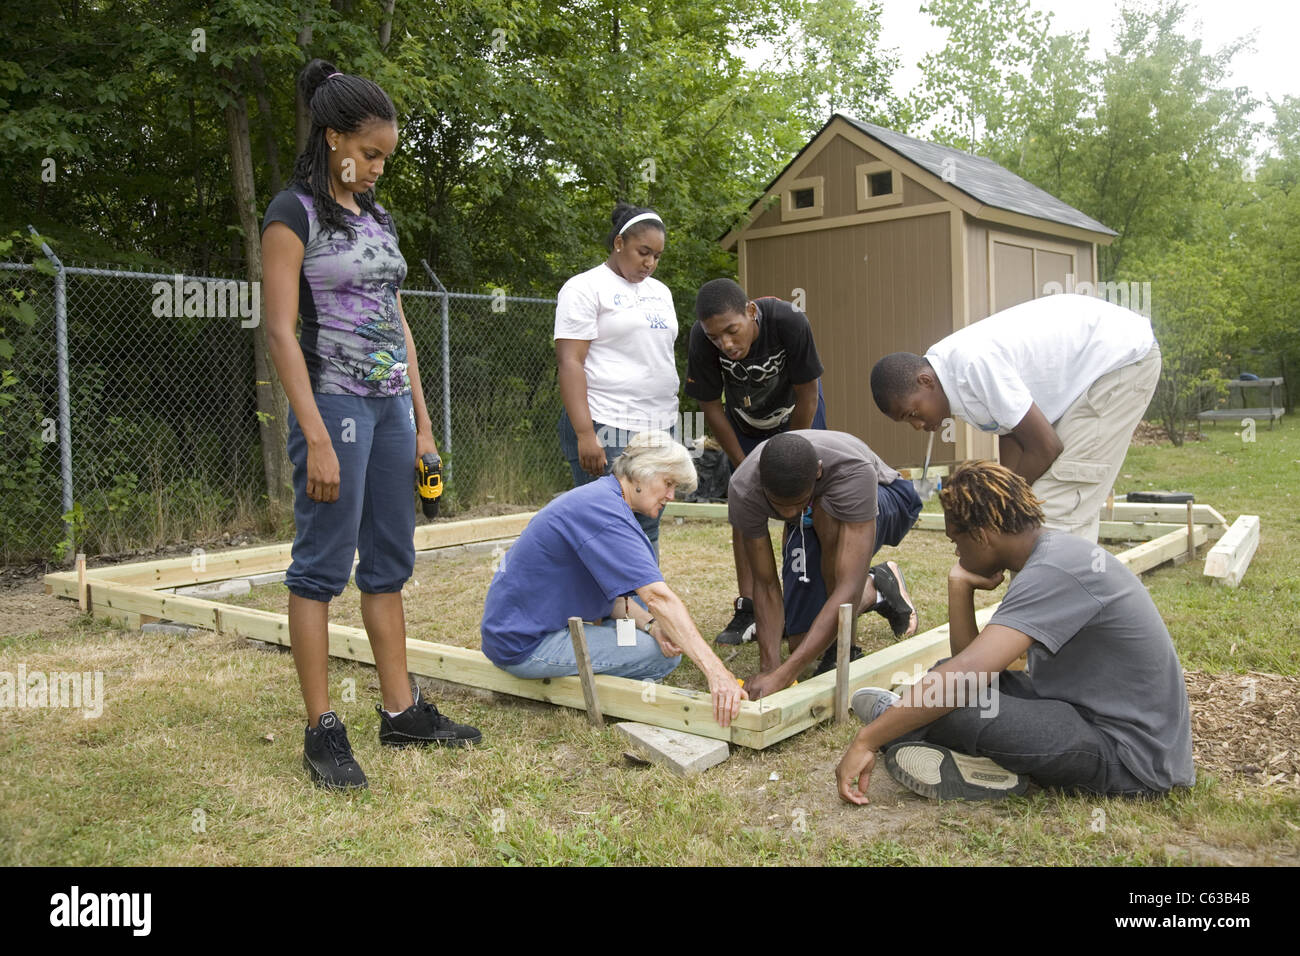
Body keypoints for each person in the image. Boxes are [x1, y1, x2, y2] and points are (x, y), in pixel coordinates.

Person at [262, 59, 480, 791]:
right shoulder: (293, 213)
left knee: (389, 562)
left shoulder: (377, 216)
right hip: (334, 403)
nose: (380, 168)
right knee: (320, 567)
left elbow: (398, 320)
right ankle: (322, 730)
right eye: (372, 154)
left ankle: (401, 710)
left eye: (387, 155)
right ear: (333, 140)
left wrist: (421, 421)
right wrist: (317, 433)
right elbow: (281, 333)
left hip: (390, 408)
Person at [835, 460, 1195, 805]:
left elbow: (967, 677)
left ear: (981, 534)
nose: (957, 551)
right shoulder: (1050, 556)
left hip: (1129, 759)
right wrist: (959, 585)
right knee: (948, 681)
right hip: (1081, 713)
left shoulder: (1055, 569)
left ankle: (896, 723)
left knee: (955, 698)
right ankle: (937, 743)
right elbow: (972, 669)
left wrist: (866, 741)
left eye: (956, 541)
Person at [481, 432, 747, 727]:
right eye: (668, 484)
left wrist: (652, 625)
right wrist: (718, 674)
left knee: (651, 637)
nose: (671, 496)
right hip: (524, 646)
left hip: (513, 630)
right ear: (641, 474)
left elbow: (609, 598)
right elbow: (658, 597)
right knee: (661, 657)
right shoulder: (606, 514)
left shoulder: (601, 498)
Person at [870, 292, 1160, 543]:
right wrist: (1004, 496)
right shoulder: (950, 378)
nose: (918, 425)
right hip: (1090, 372)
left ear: (925, 381)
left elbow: (1046, 447)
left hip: (1119, 361)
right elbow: (1013, 433)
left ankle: (1050, 600)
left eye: (913, 414)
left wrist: (1001, 505)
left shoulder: (971, 366)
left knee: (1055, 506)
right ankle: (1066, 595)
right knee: (1047, 504)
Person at [728, 431, 923, 700]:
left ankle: (846, 649)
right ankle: (877, 586)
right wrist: (770, 669)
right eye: (778, 505)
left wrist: (785, 675)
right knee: (801, 644)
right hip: (811, 521)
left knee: (827, 512)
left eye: (795, 502)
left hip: (887, 496)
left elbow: (847, 586)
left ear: (817, 473)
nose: (788, 514)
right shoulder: (744, 487)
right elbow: (765, 582)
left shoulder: (852, 472)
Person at [686, 278, 827, 646]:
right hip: (745, 423)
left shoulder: (789, 320)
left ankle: (804, 603)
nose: (726, 344)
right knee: (744, 501)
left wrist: (791, 453)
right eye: (716, 338)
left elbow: (808, 392)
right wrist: (743, 463)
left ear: (751, 312)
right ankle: (749, 607)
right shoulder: (701, 339)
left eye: (732, 331)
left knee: (807, 506)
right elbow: (710, 407)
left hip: (798, 416)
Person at [555, 203, 678, 557]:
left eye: (656, 256)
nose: (650, 263)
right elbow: (570, 362)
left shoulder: (661, 292)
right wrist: (584, 434)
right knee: (609, 525)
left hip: (658, 425)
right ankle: (609, 613)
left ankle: (642, 610)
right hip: (608, 423)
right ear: (619, 243)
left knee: (649, 519)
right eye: (644, 252)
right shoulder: (585, 288)